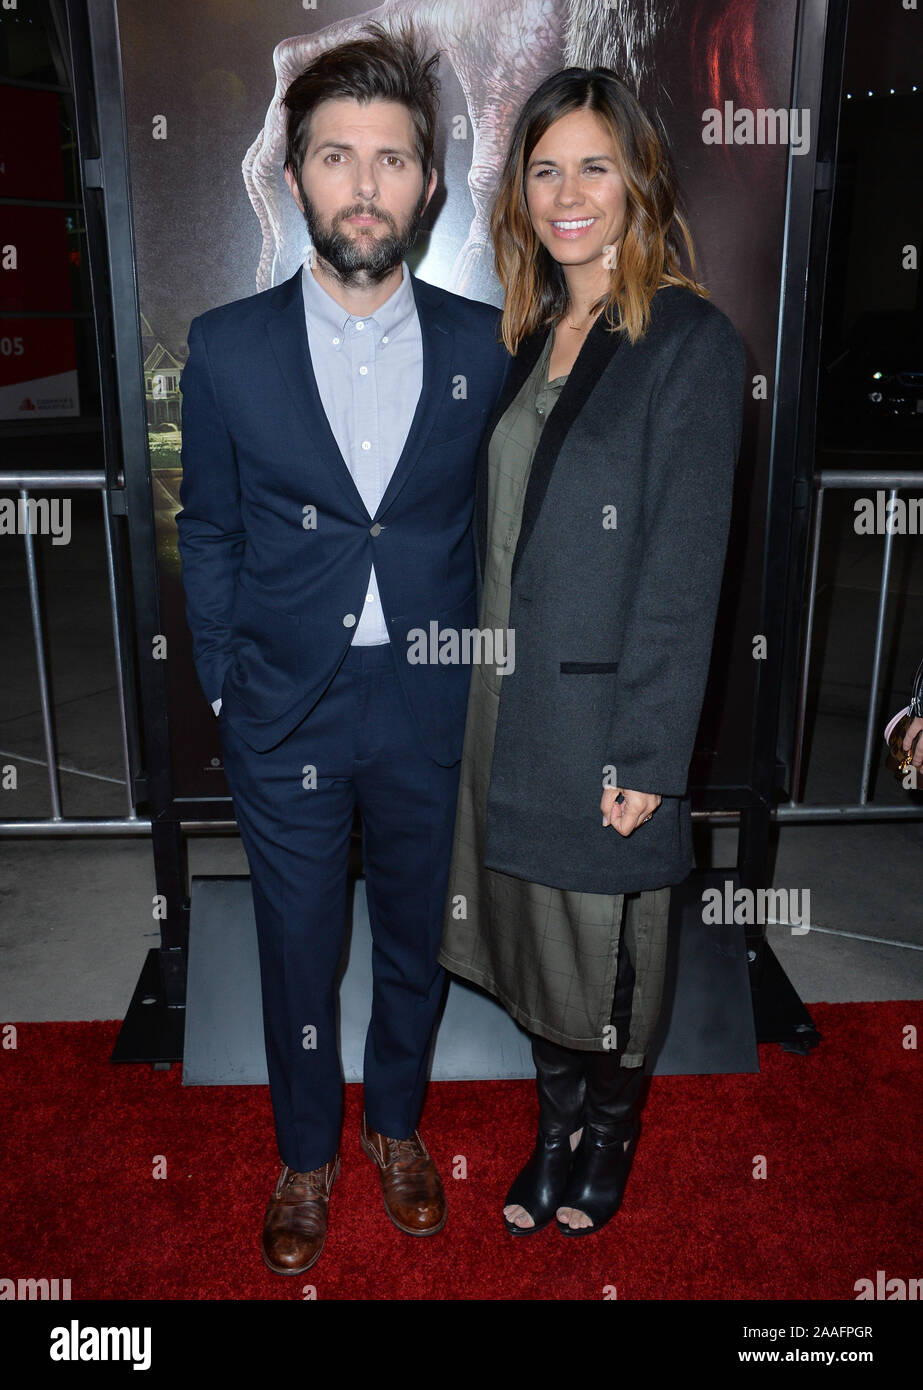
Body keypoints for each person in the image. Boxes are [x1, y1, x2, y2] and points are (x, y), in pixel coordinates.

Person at [176, 23, 508, 1274]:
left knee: (417, 934)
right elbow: (206, 530)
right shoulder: (227, 347)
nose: (363, 185)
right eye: (335, 157)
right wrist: (225, 679)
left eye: (389, 159)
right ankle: (306, 1151)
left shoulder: (485, 346)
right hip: (285, 706)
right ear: (295, 173)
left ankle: (402, 1127)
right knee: (298, 941)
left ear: (427, 183)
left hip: (425, 699)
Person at [439, 67, 746, 1237]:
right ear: (519, 189)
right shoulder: (530, 334)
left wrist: (649, 753)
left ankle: (608, 1131)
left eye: (594, 165)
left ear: (637, 181)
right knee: (530, 936)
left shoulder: (688, 342)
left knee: (608, 946)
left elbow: (681, 570)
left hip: (608, 721)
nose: (568, 193)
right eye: (545, 167)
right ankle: (553, 1122)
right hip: (506, 710)